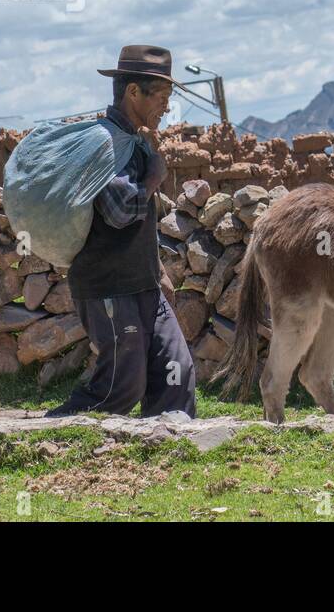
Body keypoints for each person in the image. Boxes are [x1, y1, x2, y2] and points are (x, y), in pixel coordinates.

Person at [45, 45, 197, 418]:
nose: (166, 106)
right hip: (108, 286)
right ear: (133, 92)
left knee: (176, 374)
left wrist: (157, 270)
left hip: (142, 283)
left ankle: (166, 452)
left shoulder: (133, 141)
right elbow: (121, 211)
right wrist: (154, 179)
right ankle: (57, 433)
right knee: (120, 387)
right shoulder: (105, 144)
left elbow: (140, 222)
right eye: (160, 97)